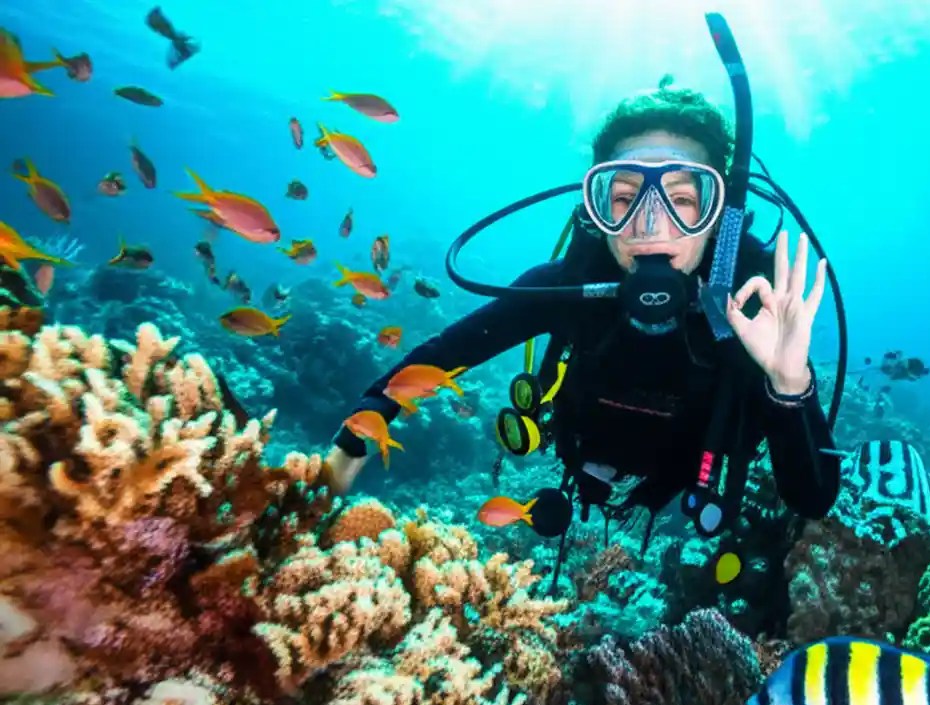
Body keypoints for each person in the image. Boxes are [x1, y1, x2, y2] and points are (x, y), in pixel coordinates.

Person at [325, 15, 848, 588]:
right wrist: (353, 439)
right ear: (598, 207)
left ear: (719, 213)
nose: (650, 226)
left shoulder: (753, 306)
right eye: (624, 197)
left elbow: (812, 498)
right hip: (584, 455)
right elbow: (445, 354)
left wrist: (789, 384)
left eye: (681, 200)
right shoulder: (571, 282)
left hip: (690, 478)